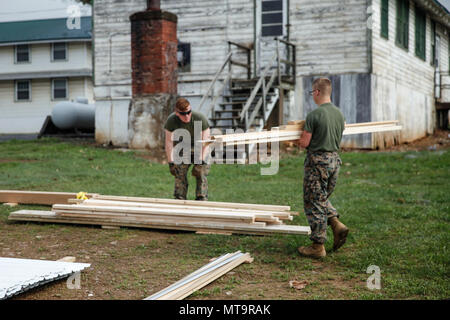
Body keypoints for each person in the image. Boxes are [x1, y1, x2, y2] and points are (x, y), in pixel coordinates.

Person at [296, 78, 349, 259]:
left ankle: (318, 246)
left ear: (317, 92)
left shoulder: (314, 115)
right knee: (321, 197)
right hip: (334, 161)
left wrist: (295, 139)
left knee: (314, 202)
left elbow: (304, 143)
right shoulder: (339, 114)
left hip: (317, 163)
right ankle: (335, 223)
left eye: (312, 93)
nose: (313, 96)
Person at [164, 98, 211, 200]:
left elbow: (206, 142)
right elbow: (168, 142)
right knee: (179, 172)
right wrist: (171, 162)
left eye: (189, 112)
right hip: (183, 149)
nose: (187, 116)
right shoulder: (171, 121)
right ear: (177, 113)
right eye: (183, 114)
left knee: (201, 173)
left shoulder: (199, 118)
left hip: (200, 148)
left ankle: (201, 198)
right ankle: (180, 198)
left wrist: (201, 162)